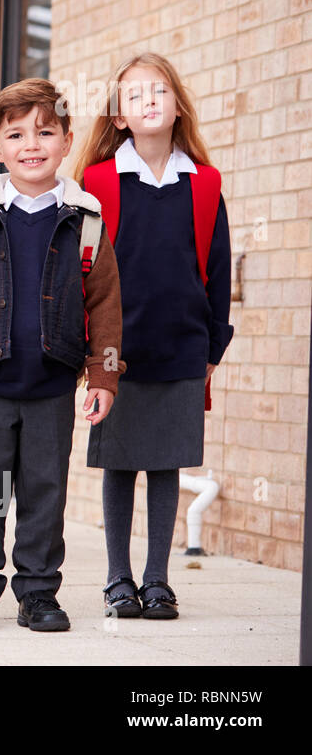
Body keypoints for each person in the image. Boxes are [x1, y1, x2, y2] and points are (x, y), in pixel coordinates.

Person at [0, 78, 123, 632]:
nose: (31, 144)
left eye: (45, 132)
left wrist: (105, 376)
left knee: (45, 494)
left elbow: (106, 301)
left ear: (66, 140)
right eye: (16, 134)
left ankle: (39, 592)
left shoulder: (85, 220)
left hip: (51, 387)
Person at [76, 52, 233, 621]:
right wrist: (91, 354)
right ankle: (118, 579)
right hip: (116, 352)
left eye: (160, 91)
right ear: (118, 115)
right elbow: (82, 273)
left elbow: (218, 270)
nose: (149, 101)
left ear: (176, 105)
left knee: (167, 464)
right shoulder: (97, 182)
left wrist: (214, 347)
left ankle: (158, 580)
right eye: (135, 94)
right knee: (120, 465)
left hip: (184, 346)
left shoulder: (206, 184)